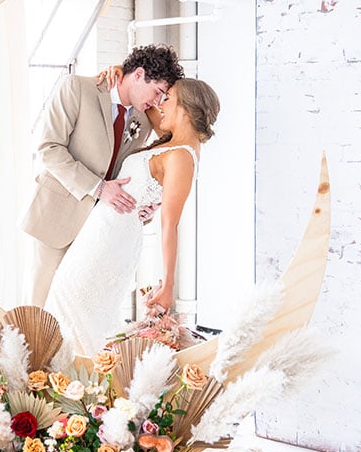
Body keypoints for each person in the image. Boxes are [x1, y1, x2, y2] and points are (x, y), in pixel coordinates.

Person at [44, 76, 220, 355]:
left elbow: (170, 225)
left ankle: (84, 382)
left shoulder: (183, 156)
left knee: (73, 306)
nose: (160, 105)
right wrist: (120, 72)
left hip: (110, 243)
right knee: (70, 306)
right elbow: (139, 98)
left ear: (186, 109)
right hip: (98, 232)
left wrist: (168, 284)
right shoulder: (171, 142)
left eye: (168, 99)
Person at [19, 45, 184, 307]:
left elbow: (129, 170)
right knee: (39, 307)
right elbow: (48, 150)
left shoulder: (142, 121)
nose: (157, 102)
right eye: (157, 92)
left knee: (74, 308)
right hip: (56, 217)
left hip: (98, 232)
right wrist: (98, 188)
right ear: (139, 74)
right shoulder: (76, 88)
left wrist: (144, 206)